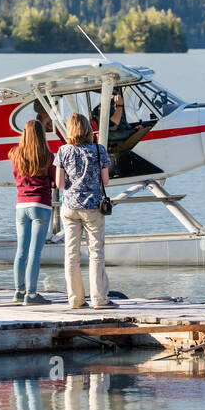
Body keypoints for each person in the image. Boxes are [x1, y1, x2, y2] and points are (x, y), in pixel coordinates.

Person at [54, 113, 114, 310]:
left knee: (71, 254)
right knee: (96, 253)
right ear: (88, 129)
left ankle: (76, 300)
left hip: (70, 207)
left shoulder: (63, 151)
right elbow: (105, 181)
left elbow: (60, 183)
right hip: (93, 207)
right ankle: (99, 299)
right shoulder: (99, 150)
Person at [9, 118, 56, 305]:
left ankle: (18, 292)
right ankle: (32, 294)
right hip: (41, 205)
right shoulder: (47, 156)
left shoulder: (14, 154)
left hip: (21, 205)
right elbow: (53, 179)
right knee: (34, 253)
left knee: (21, 251)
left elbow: (16, 175)